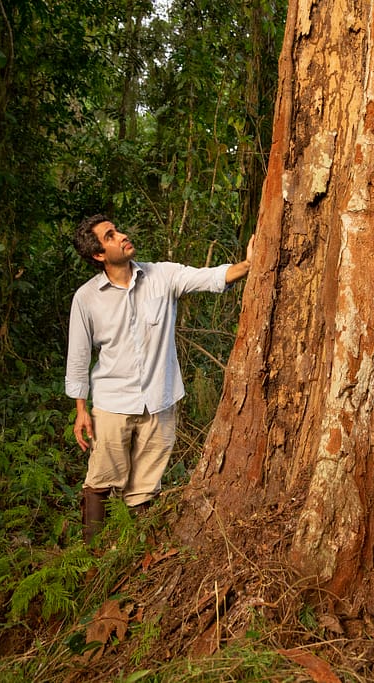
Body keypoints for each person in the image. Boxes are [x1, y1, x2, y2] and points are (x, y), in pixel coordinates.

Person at [65, 214, 253, 545]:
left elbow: (208, 277)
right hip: (112, 404)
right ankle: (91, 560)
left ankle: (133, 554)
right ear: (98, 254)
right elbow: (78, 356)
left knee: (145, 487)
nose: (122, 235)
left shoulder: (161, 276)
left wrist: (249, 264)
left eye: (118, 229)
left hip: (160, 400)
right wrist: (81, 409)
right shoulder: (86, 298)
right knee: (101, 481)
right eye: (111, 236)